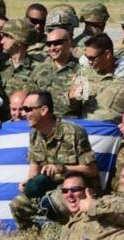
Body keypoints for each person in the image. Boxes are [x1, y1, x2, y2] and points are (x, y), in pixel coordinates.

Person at [7, 90, 99, 230]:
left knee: (54, 202)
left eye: (27, 109)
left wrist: (63, 168)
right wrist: (29, 181)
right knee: (18, 204)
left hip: (75, 191)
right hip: (49, 188)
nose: (23, 114)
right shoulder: (34, 135)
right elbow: (34, 169)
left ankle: (65, 238)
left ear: (43, 110)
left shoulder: (73, 132)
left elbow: (91, 170)